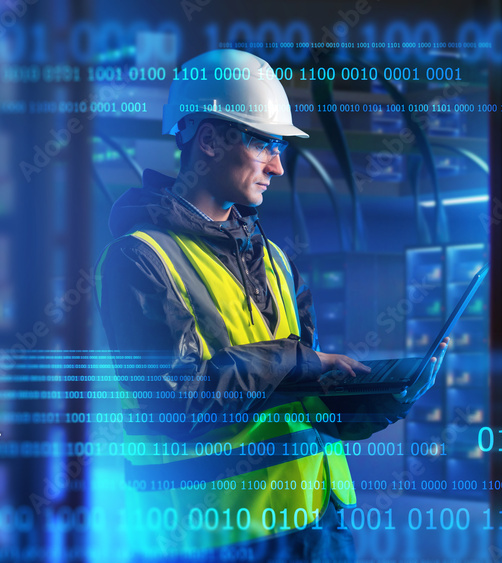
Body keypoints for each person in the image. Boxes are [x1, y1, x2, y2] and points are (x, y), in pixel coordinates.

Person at [93, 49, 448, 561]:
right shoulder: (139, 258)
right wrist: (299, 361)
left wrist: (380, 398)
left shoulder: (275, 259)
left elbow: (303, 397)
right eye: (265, 144)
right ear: (210, 141)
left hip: (317, 522)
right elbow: (176, 404)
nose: (278, 166)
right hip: (215, 536)